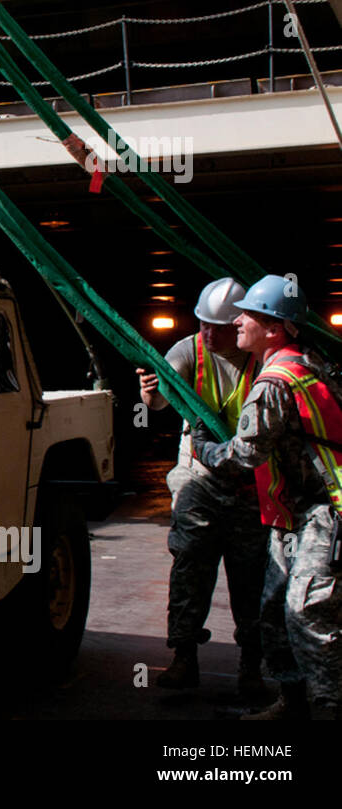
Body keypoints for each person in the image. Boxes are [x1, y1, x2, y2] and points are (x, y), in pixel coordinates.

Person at [191, 275, 342, 719]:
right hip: (295, 513)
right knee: (273, 609)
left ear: (272, 328)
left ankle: (330, 706)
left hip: (326, 512)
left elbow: (244, 456)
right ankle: (291, 699)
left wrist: (204, 448)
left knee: (307, 610)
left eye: (247, 316)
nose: (236, 321)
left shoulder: (274, 382)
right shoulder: (307, 362)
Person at [137, 277, 266, 695]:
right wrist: (149, 395)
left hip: (249, 477)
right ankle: (183, 657)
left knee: (252, 575)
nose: (208, 334)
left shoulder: (261, 357)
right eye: (203, 323)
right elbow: (157, 402)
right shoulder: (188, 351)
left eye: (219, 326)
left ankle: (252, 666)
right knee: (190, 562)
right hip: (201, 476)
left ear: (240, 324)